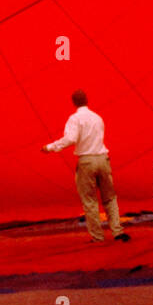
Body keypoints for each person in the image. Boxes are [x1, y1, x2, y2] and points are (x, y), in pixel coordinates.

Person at [42, 90, 129, 242]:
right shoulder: (97, 118)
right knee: (110, 197)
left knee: (89, 200)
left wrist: (50, 147)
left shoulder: (75, 119)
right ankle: (117, 231)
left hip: (86, 161)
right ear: (87, 100)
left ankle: (97, 236)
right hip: (102, 158)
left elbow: (71, 138)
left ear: (73, 102)